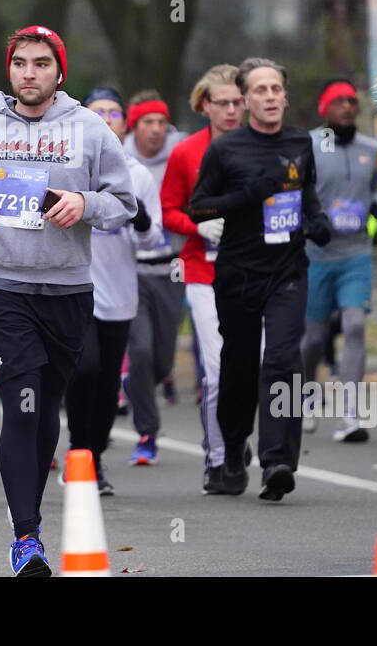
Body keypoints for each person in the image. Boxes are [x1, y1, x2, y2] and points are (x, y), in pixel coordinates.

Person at [0, 25, 136, 577]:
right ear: (10, 69)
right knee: (21, 399)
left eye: (41, 64)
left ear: (59, 71)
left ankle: (30, 519)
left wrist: (83, 201)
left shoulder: (89, 129)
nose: (30, 73)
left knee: (46, 407)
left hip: (67, 289)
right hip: (0, 284)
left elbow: (125, 203)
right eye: (21, 63)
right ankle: (26, 537)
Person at [188, 58, 331, 502]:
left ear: (285, 97)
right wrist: (249, 195)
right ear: (246, 99)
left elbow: (306, 195)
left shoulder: (299, 142)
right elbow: (200, 208)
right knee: (239, 367)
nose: (270, 97)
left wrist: (316, 220)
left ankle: (278, 461)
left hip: (288, 271)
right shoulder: (226, 149)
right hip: (238, 273)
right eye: (260, 90)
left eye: (276, 89)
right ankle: (233, 450)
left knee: (284, 359)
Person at [64, 88, 163, 494]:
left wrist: (139, 220)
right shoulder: (68, 168)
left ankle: (95, 457)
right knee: (83, 370)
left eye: (114, 112)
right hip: (74, 288)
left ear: (125, 123)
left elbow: (154, 240)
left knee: (107, 385)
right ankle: (77, 453)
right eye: (97, 112)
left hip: (119, 295)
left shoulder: (137, 175)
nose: (106, 119)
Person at [161, 65, 245, 493]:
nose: (231, 110)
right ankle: (218, 458)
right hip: (202, 270)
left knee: (260, 367)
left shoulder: (262, 147)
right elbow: (169, 211)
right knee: (215, 368)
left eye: (237, 102)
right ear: (204, 106)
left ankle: (238, 437)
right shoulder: (185, 153)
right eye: (222, 103)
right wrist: (200, 225)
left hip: (254, 272)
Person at [300, 79, 377, 443]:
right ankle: (305, 395)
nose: (348, 107)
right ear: (325, 109)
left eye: (352, 101)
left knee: (354, 327)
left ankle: (350, 413)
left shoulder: (370, 148)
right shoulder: (310, 145)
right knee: (313, 338)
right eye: (339, 102)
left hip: (356, 254)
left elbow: (375, 193)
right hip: (316, 256)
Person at [123, 90, 186, 464]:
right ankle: (147, 432)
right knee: (142, 351)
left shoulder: (178, 156)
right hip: (131, 267)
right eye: (148, 122)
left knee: (162, 361)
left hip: (172, 267)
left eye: (162, 122)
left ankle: (136, 385)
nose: (156, 130)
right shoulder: (120, 160)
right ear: (135, 125)